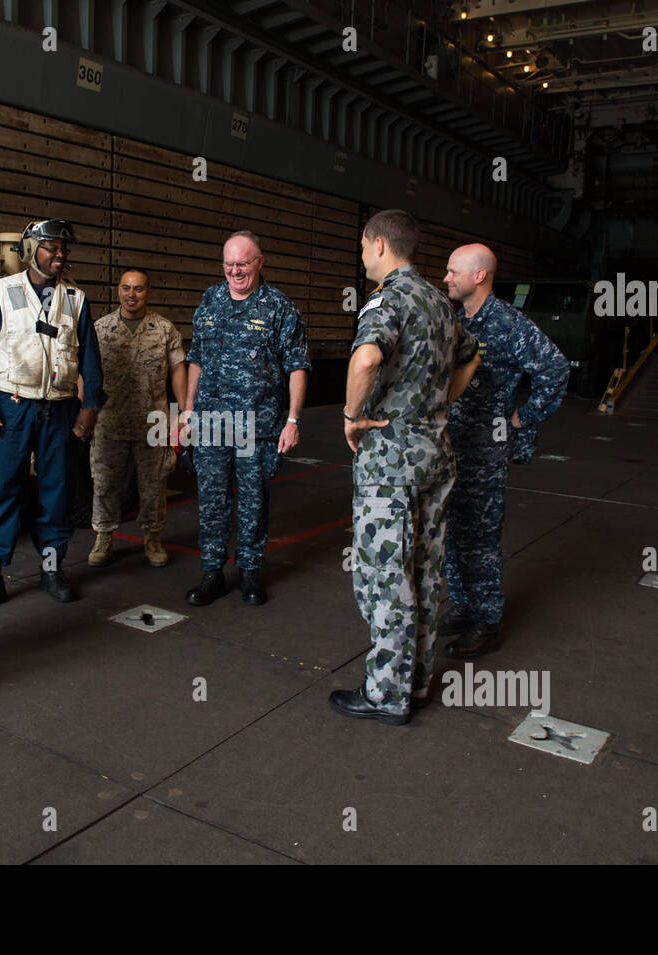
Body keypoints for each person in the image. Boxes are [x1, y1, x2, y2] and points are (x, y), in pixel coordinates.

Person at [328, 210, 480, 725]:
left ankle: (385, 695)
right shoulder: (441, 301)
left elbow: (366, 359)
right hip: (435, 451)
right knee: (424, 569)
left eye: (362, 245)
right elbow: (470, 356)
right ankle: (414, 684)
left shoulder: (388, 299)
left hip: (391, 458)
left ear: (376, 245)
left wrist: (352, 416)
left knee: (384, 574)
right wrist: (437, 406)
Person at [0, 219, 106, 613]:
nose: (59, 254)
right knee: (0, 490)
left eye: (63, 249)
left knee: (56, 491)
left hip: (61, 410)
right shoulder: (2, 293)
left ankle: (52, 569)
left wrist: (89, 407)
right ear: (30, 250)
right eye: (51, 247)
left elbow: (90, 359)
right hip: (12, 408)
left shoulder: (76, 298)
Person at [439, 243, 569, 657]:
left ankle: (486, 622)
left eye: (453, 271)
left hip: (485, 452)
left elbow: (555, 369)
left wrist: (523, 417)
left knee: (480, 536)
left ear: (479, 276)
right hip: (452, 443)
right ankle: (463, 604)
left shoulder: (510, 324)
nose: (446, 278)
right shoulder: (457, 320)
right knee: (454, 531)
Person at [182, 231, 310, 606]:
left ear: (259, 262)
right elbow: (197, 359)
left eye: (242, 264)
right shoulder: (211, 299)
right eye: (228, 264)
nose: (234, 271)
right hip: (210, 422)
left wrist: (293, 420)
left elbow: (298, 366)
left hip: (258, 425)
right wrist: (188, 410)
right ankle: (212, 573)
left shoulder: (278, 307)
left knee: (254, 500)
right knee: (211, 499)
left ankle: (251, 573)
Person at [88, 269, 187, 568]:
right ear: (118, 290)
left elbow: (178, 370)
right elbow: (87, 374)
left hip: (153, 423)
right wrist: (84, 410)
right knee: (104, 484)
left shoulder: (164, 329)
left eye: (139, 289)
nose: (132, 294)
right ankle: (103, 536)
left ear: (148, 293)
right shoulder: (100, 329)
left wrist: (181, 413)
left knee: (154, 484)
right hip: (109, 421)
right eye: (127, 288)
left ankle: (152, 537)